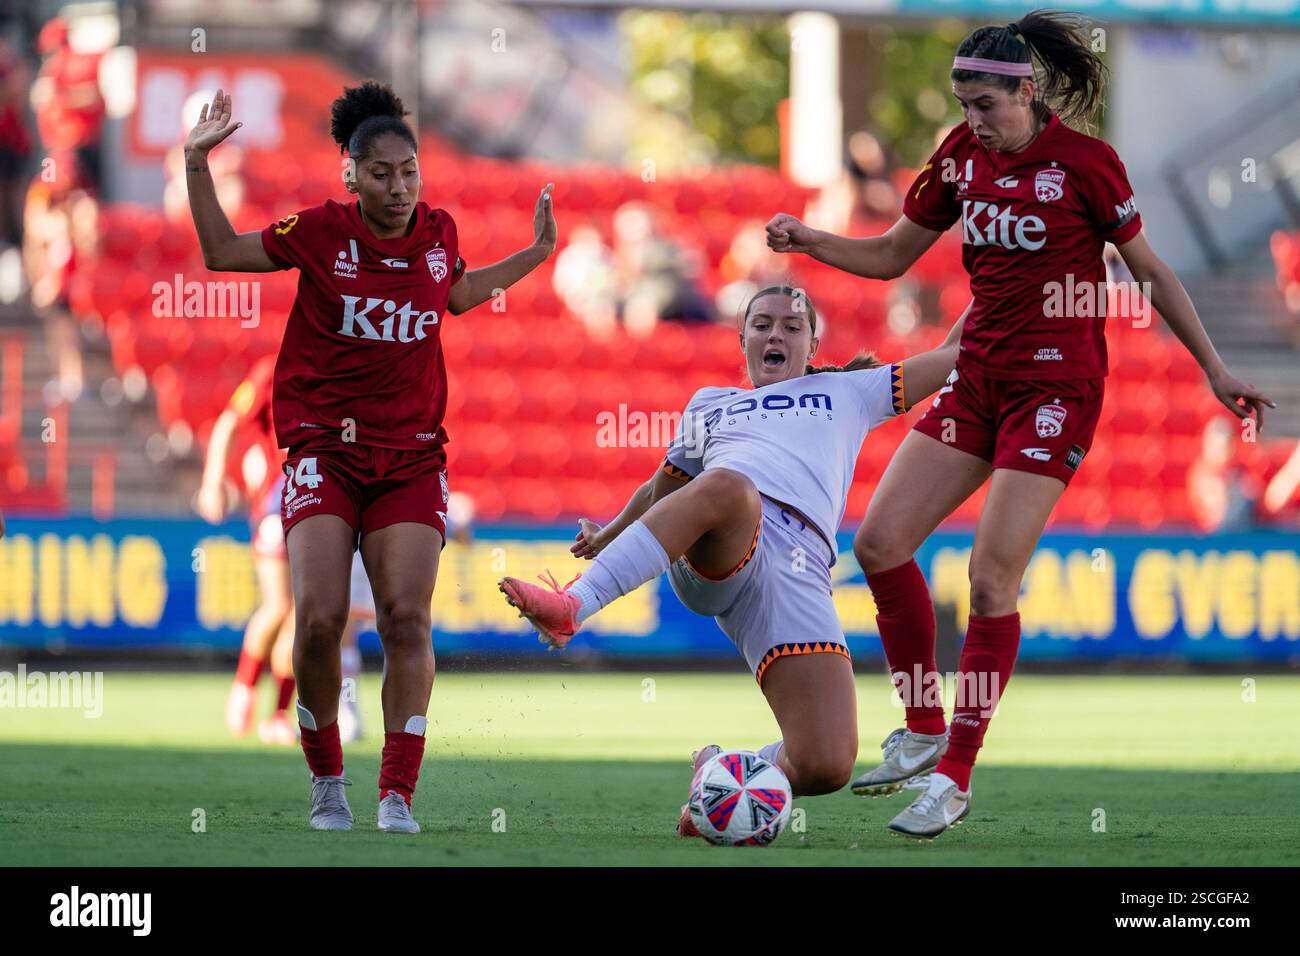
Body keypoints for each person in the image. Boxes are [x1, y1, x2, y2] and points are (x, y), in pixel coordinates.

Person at [765, 10, 1275, 837]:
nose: (974, 120)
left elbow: (1149, 270)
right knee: (879, 542)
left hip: (1056, 391)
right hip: (976, 377)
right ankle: (924, 727)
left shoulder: (1087, 164)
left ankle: (955, 778)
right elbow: (893, 254)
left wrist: (1215, 369)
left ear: (1026, 92)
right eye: (963, 104)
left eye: (986, 106)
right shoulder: (959, 159)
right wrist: (810, 240)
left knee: (991, 578)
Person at [184, 81, 557, 832]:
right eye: (382, 173)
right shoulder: (318, 231)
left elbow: (456, 294)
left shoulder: (439, 233)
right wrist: (196, 161)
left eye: (410, 171)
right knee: (318, 620)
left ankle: (396, 793)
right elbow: (222, 254)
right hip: (323, 450)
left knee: (405, 620)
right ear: (351, 175)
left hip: (412, 457)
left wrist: (536, 252)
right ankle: (328, 783)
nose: (399, 186)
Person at [500, 285, 965, 837]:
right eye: (762, 323)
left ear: (813, 340)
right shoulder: (711, 403)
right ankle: (573, 604)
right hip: (720, 546)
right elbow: (661, 489)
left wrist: (1004, 280)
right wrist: (610, 536)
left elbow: (957, 353)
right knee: (729, 485)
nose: (776, 334)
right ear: (741, 337)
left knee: (825, 761)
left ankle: (719, 780)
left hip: (800, 568)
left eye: (792, 327)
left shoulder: (849, 390)